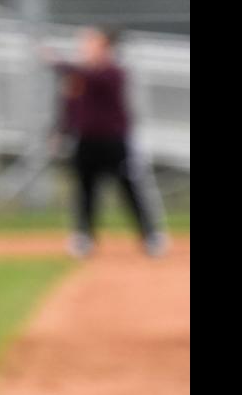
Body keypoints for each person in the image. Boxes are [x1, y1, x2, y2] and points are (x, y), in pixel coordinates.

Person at [48, 26, 167, 259]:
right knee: (85, 190)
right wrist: (60, 131)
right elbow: (70, 107)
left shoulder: (113, 72)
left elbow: (95, 80)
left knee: (129, 188)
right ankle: (84, 237)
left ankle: (149, 235)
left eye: (91, 44)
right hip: (85, 140)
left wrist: (58, 63)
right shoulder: (77, 77)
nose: (85, 49)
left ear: (105, 47)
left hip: (113, 140)